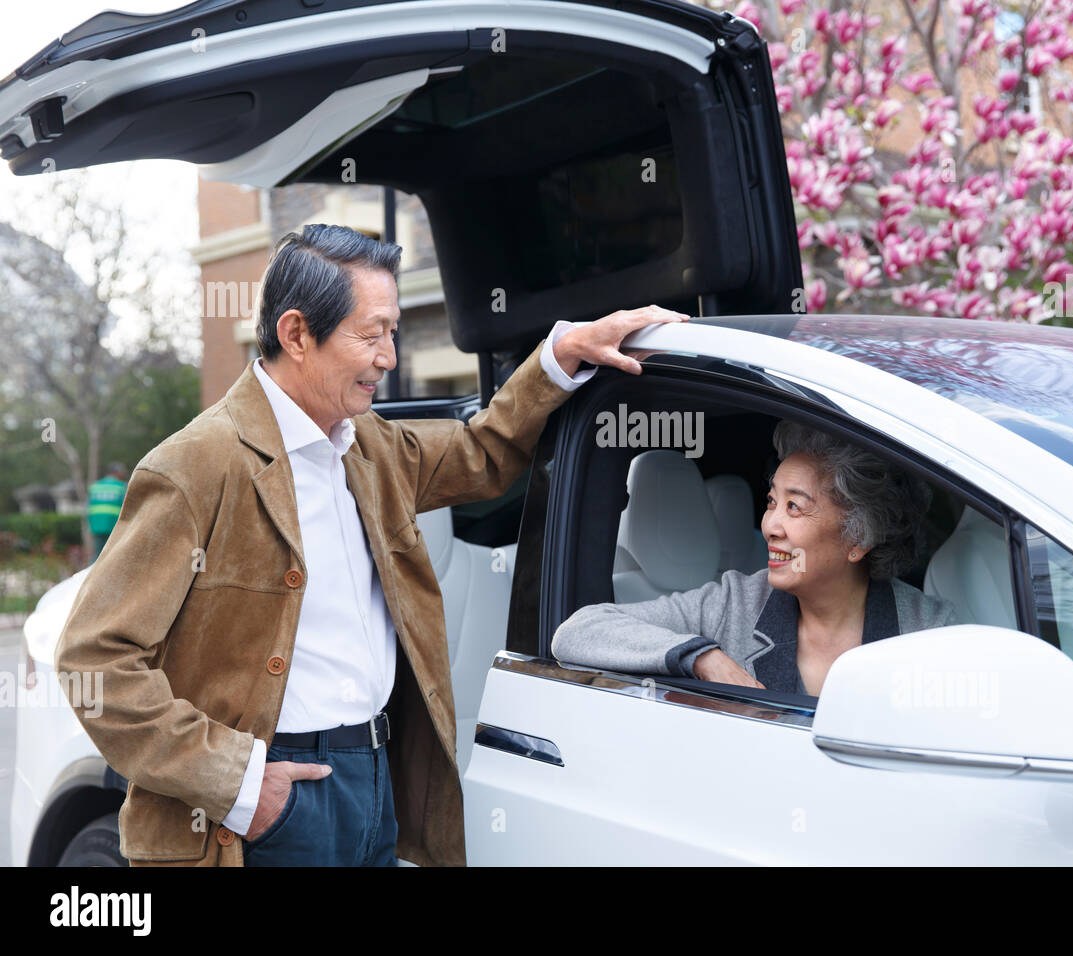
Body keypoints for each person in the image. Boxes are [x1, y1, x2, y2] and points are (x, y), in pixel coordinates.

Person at [54, 223, 687, 866]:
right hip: (267, 807)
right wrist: (244, 786)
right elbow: (93, 663)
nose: (388, 356)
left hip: (375, 779)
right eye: (370, 333)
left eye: (394, 332)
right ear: (297, 334)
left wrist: (562, 354)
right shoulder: (193, 467)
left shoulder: (370, 444)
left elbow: (482, 453)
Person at [552, 420, 958, 697]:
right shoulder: (733, 604)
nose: (770, 526)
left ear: (859, 538)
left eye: (795, 508)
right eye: (771, 502)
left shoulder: (929, 630)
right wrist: (701, 658)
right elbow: (577, 631)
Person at [87, 462, 127, 560]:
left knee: (97, 556)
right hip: (113, 526)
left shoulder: (95, 486)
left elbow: (88, 507)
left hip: (96, 526)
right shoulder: (121, 487)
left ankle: (92, 574)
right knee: (112, 556)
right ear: (117, 473)